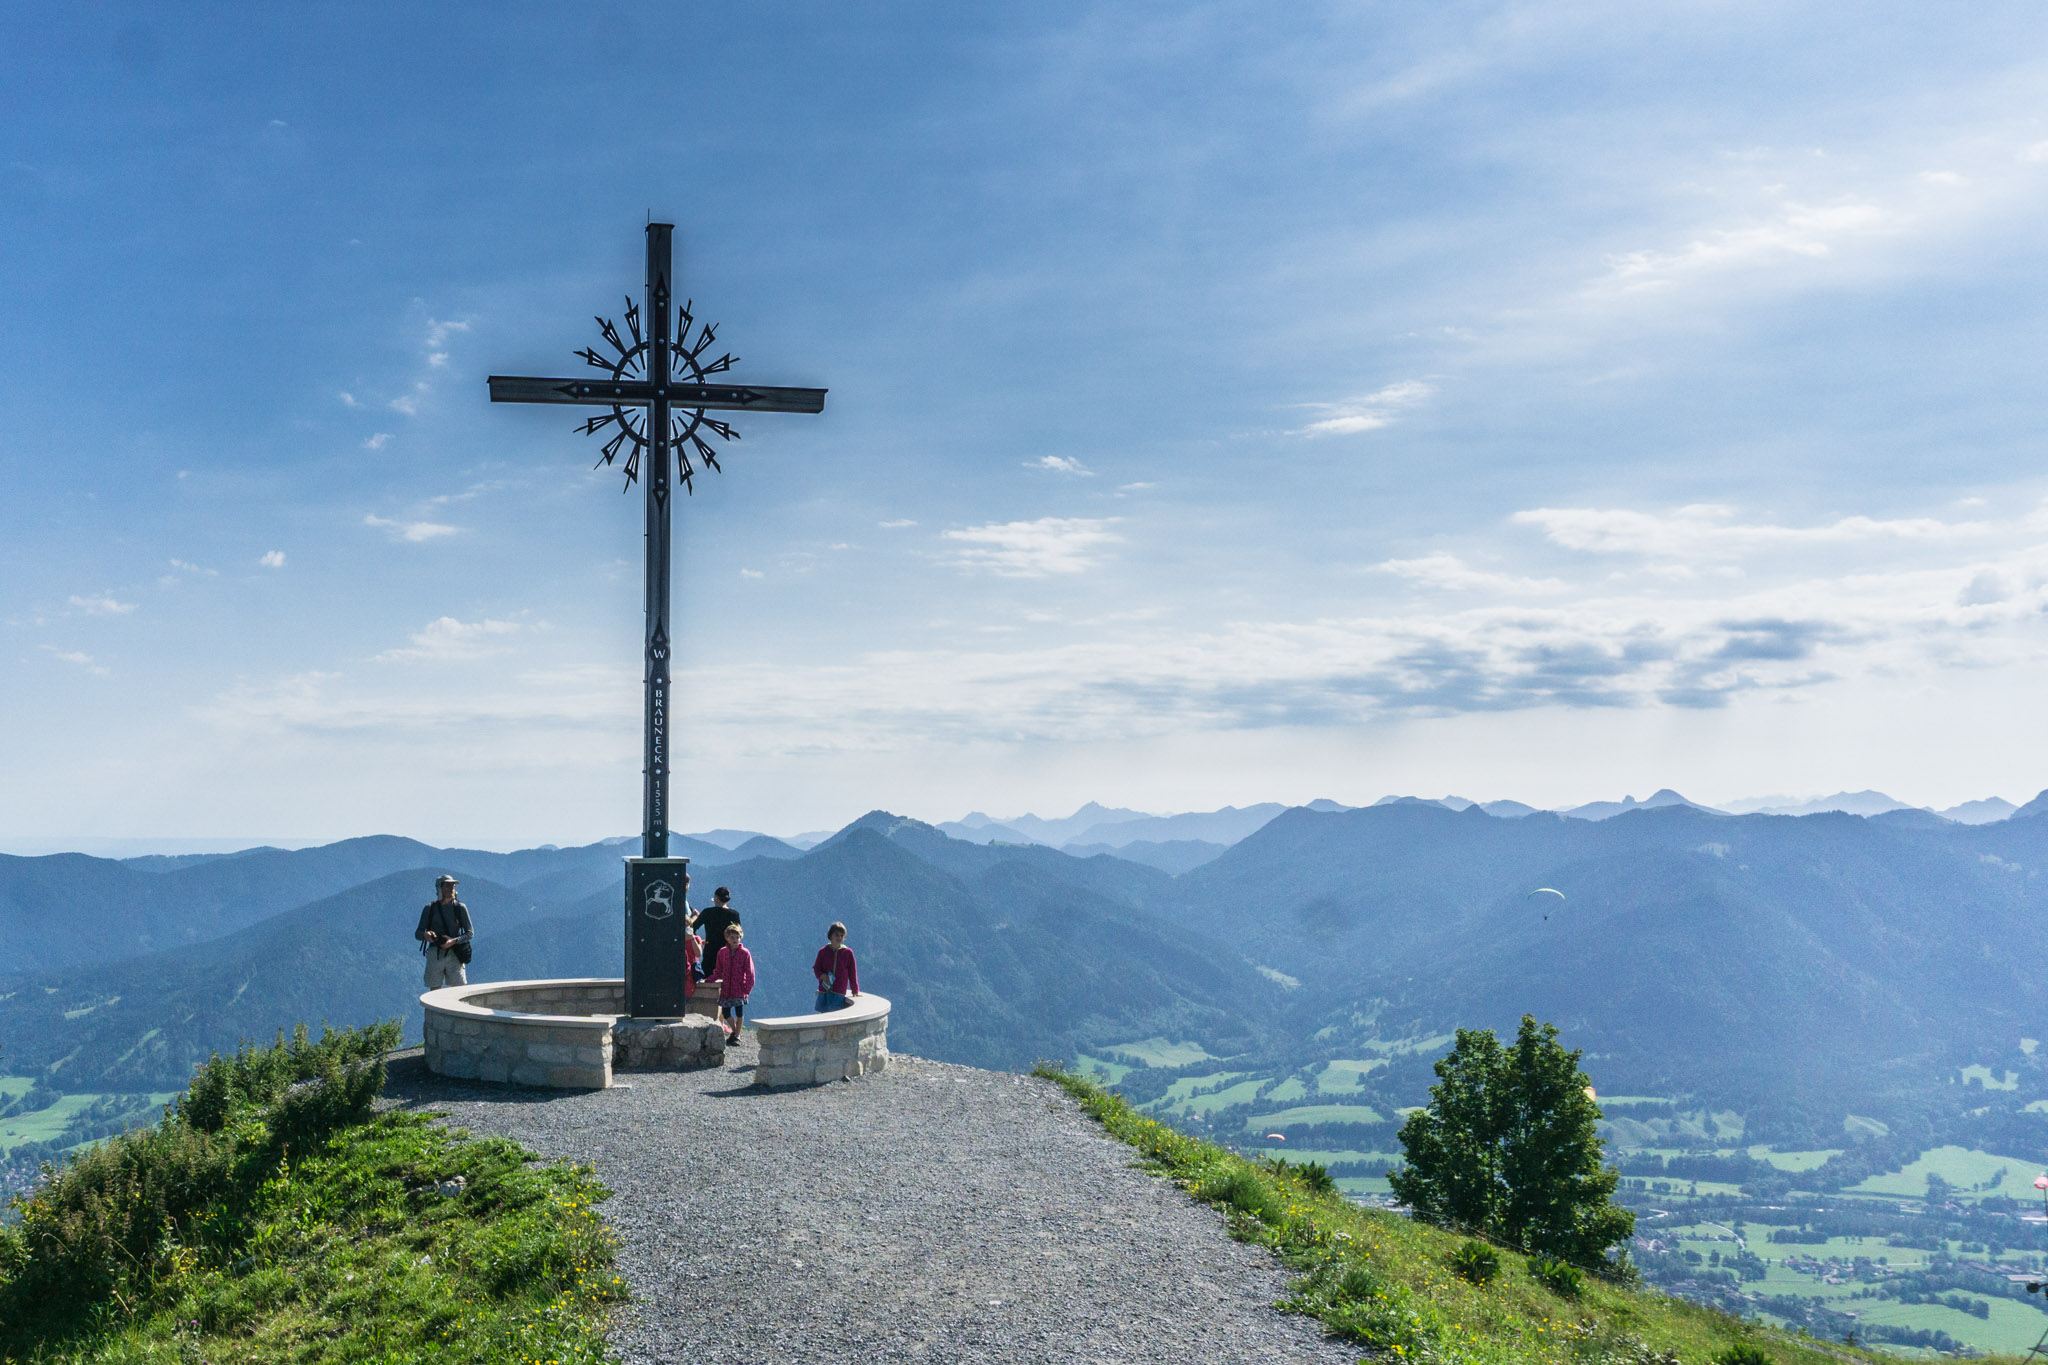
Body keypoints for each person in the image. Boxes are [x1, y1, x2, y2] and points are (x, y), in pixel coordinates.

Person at [415, 874, 473, 989]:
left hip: (455, 954)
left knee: (459, 990)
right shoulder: (429, 908)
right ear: (439, 888)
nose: (451, 888)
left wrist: (453, 941)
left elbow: (470, 933)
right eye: (447, 886)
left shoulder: (460, 908)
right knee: (435, 991)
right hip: (435, 953)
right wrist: (426, 935)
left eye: (453, 886)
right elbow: (418, 934)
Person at [709, 922, 755, 1045]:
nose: (735, 939)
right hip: (726, 989)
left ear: (741, 937)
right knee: (726, 1013)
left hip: (739, 989)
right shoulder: (722, 952)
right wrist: (710, 979)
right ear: (727, 938)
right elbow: (718, 971)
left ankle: (737, 1035)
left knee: (739, 1013)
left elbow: (750, 973)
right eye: (732, 937)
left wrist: (746, 989)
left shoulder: (745, 953)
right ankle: (735, 1032)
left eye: (737, 937)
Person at [812, 921, 860, 1013]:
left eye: (842, 935)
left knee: (834, 1014)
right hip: (824, 990)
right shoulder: (823, 952)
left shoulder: (848, 953)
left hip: (838, 992)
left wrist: (855, 989)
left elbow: (852, 973)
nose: (839, 938)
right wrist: (821, 975)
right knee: (823, 1015)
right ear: (830, 936)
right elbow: (816, 968)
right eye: (837, 935)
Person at [696, 886, 741, 976]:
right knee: (725, 977)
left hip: (710, 951)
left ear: (716, 898)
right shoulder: (734, 915)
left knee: (708, 977)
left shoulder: (707, 912)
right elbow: (738, 934)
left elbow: (693, 928)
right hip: (728, 951)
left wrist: (697, 941)